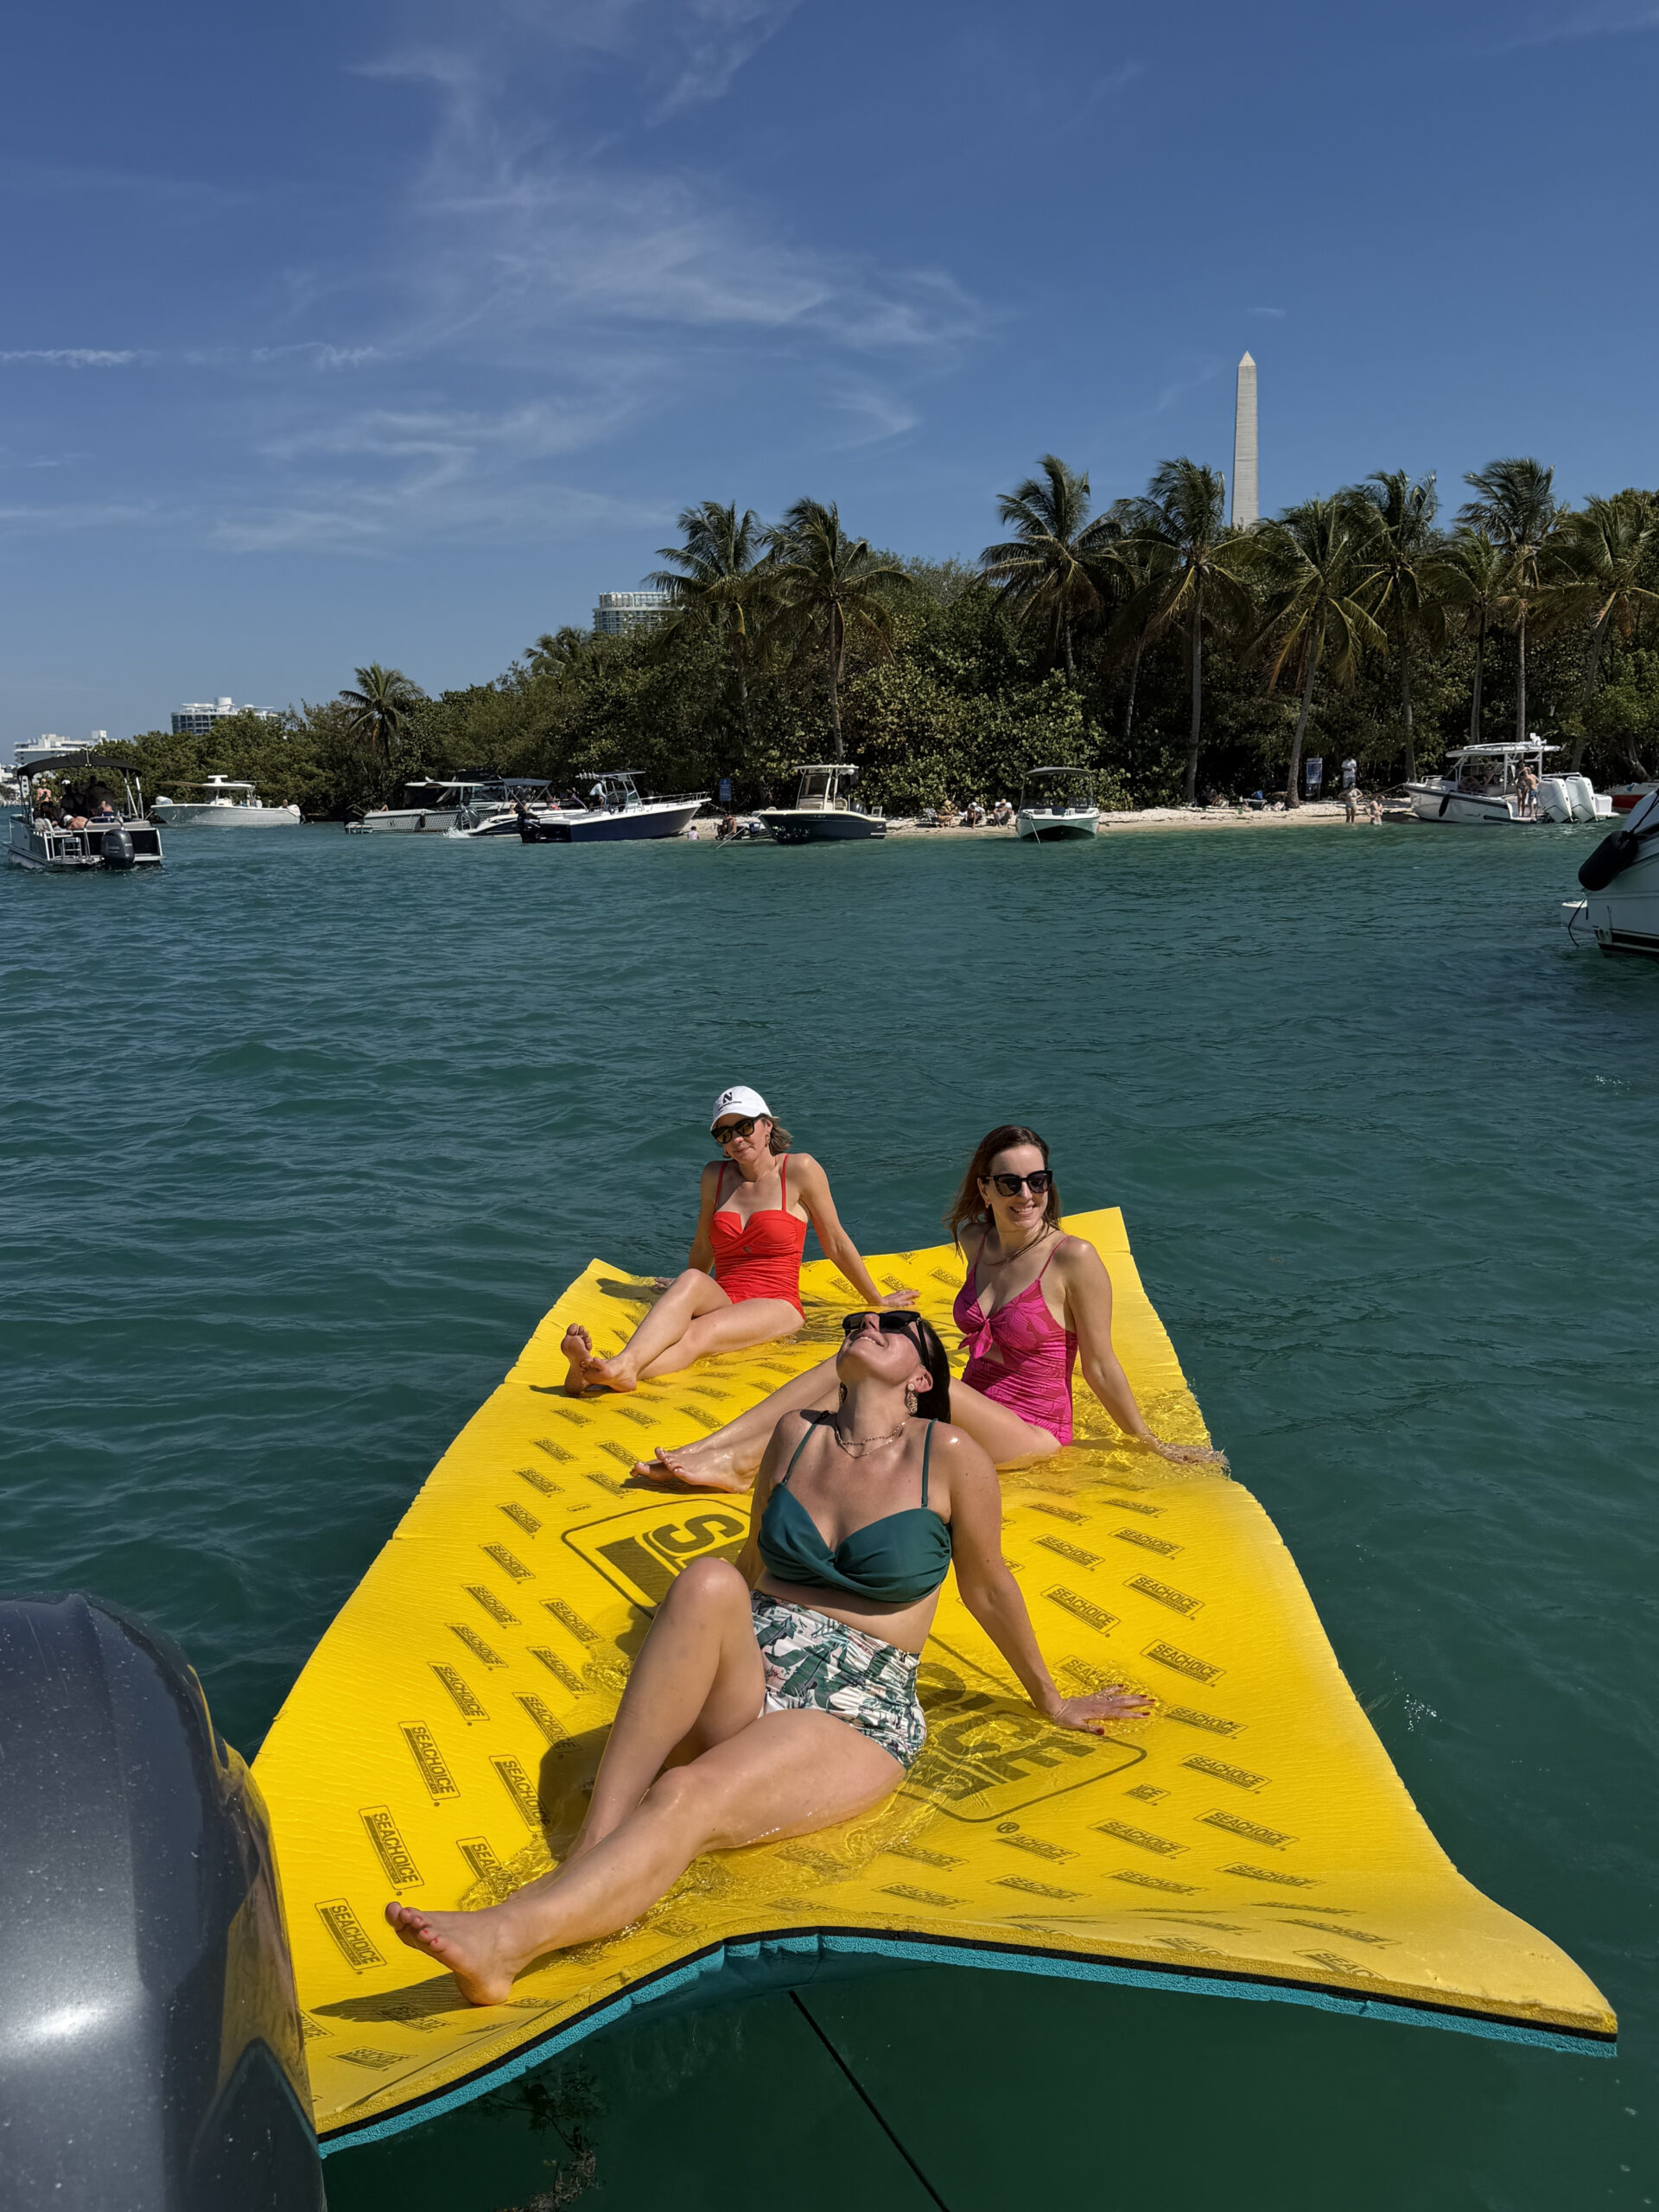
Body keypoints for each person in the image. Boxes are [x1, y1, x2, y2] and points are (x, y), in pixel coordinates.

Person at [385, 1308, 1151, 2003]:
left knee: (685, 1794)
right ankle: (592, 1852)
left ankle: (509, 1941)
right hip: (760, 1658)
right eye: (860, 1320)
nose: (869, 1324)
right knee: (708, 1578)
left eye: (894, 1325)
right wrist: (687, 1654)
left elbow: (989, 1589)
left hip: (852, 1702)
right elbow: (754, 1561)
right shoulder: (795, 1434)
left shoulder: (949, 1454)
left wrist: (1050, 1698)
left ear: (922, 1377)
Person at [637, 1122, 1223, 1491]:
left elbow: (1099, 1365)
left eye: (1038, 1181)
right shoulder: (975, 1242)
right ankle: (712, 1447)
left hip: (1032, 1432)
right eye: (1011, 1184)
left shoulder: (1073, 1259)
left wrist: (1151, 1442)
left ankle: (743, 1468)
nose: (1027, 1195)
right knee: (852, 1359)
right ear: (985, 1188)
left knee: (889, 1368)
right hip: (964, 1412)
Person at [562, 1088, 914, 1394]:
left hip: (776, 1302)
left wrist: (878, 1300)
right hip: (726, 1294)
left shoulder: (799, 1169)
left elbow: (835, 1241)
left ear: (767, 1126)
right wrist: (681, 1295)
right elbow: (703, 1247)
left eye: (744, 1127)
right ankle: (608, 1370)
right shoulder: (714, 1176)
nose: (737, 1139)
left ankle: (603, 1373)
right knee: (691, 1281)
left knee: (699, 1333)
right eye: (725, 1134)